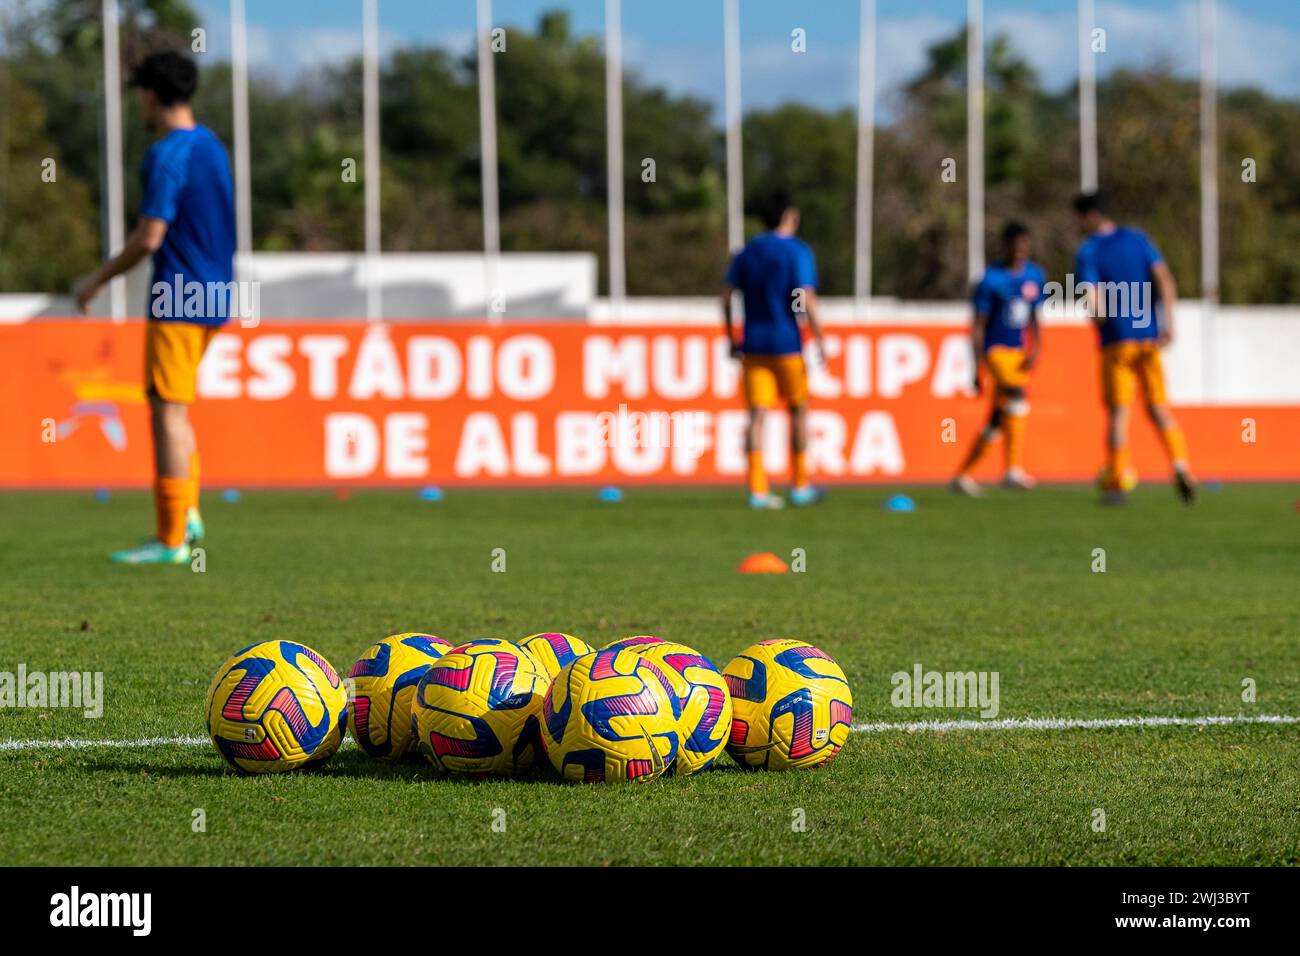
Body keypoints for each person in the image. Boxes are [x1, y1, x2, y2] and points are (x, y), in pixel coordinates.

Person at [73, 50, 237, 562]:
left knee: (165, 410)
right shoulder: (212, 145)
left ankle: (170, 538)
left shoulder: (166, 154)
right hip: (218, 293)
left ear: (150, 95)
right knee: (179, 406)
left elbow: (150, 237)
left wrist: (95, 280)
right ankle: (188, 512)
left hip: (178, 294)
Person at [1072, 191, 1195, 506]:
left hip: (1118, 340)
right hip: (1149, 337)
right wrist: (1169, 322)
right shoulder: (1138, 239)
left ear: (1090, 216)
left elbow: (1093, 297)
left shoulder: (1089, 250)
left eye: (1079, 218)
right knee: (1158, 408)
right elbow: (1165, 280)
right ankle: (1181, 464)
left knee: (1118, 413)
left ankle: (1117, 481)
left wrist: (1097, 315)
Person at [721, 192, 826, 510]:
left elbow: (726, 298)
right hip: (787, 343)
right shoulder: (797, 251)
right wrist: (819, 337)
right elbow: (804, 299)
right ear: (789, 217)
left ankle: (757, 490)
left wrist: (731, 336)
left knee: (756, 415)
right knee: (798, 410)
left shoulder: (746, 253)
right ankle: (800, 486)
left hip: (753, 343)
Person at [952, 221, 1044, 496]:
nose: (1020, 251)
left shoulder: (1035, 276)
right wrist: (977, 365)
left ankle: (963, 475)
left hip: (1018, 353)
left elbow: (1035, 317)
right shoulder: (990, 280)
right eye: (1016, 245)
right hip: (995, 351)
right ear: (1006, 246)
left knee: (996, 418)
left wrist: (1036, 347)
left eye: (1025, 245)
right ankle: (1013, 470)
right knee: (1018, 397)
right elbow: (978, 324)